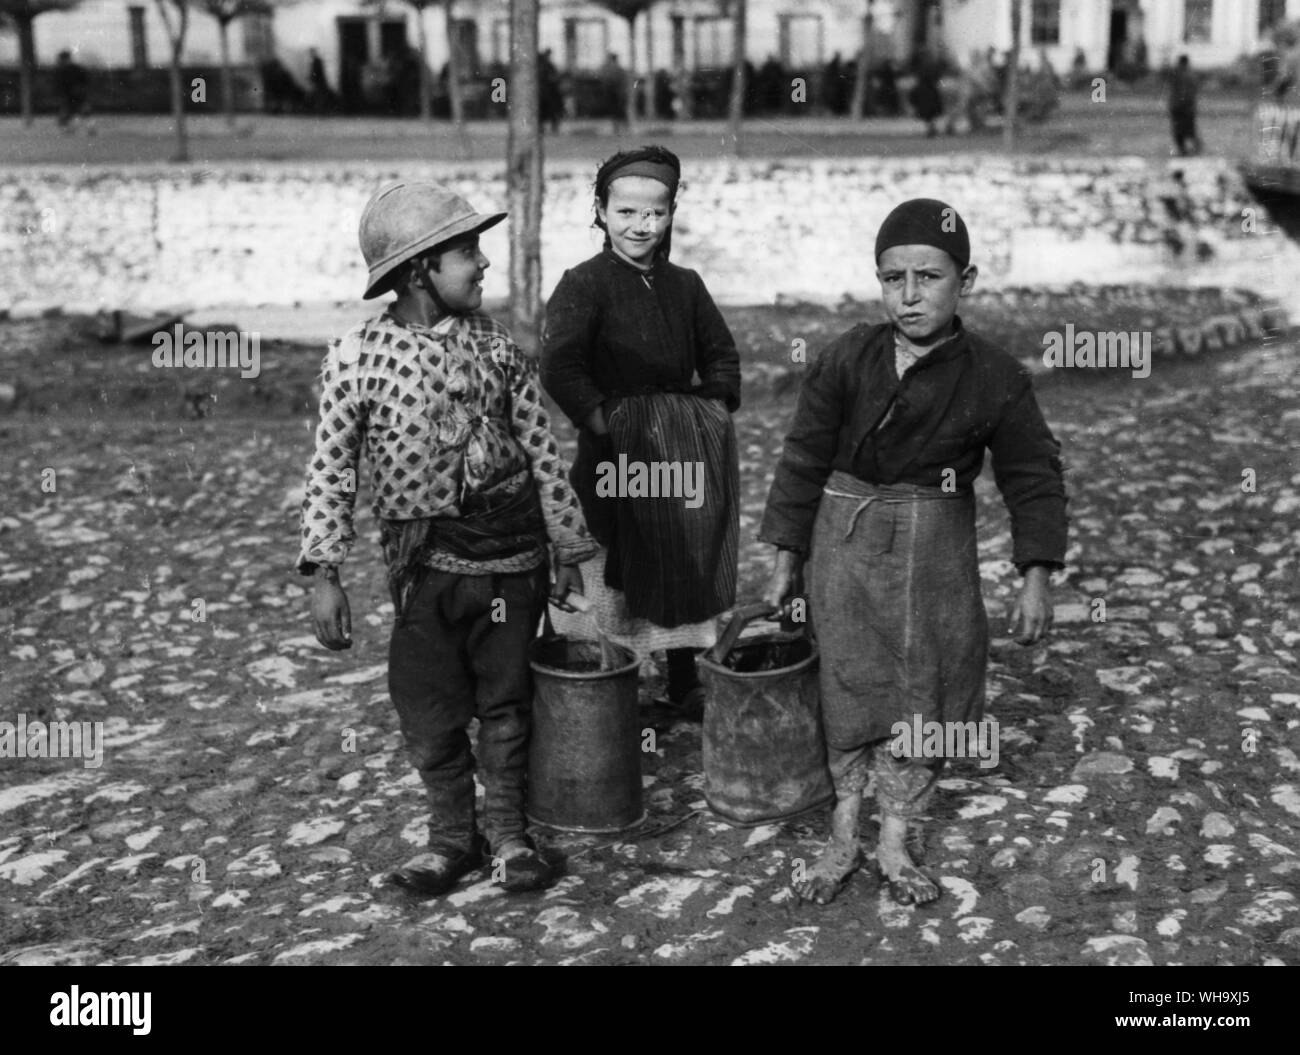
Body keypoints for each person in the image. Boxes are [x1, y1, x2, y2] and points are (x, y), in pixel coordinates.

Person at [760, 199, 1067, 906]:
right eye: (892, 277)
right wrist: (784, 554)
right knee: (843, 681)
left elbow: (1033, 475)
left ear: (968, 280)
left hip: (935, 556)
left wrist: (1036, 575)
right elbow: (802, 455)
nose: (909, 294)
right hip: (844, 543)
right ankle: (842, 831)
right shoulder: (846, 357)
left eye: (928, 276)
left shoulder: (995, 375)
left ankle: (896, 834)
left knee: (925, 684)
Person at [297, 182, 599, 897]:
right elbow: (331, 465)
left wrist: (567, 548)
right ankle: (450, 841)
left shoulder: (496, 347)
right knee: (428, 710)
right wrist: (322, 571)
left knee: (507, 701)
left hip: (512, 566)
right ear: (417, 270)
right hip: (424, 575)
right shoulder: (355, 358)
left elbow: (541, 448)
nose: (483, 263)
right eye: (466, 251)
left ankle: (510, 838)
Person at [541, 147, 741, 717]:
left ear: (671, 214)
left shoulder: (686, 286)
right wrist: (606, 419)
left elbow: (721, 357)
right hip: (615, 456)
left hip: (680, 453)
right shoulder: (584, 284)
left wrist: (711, 411)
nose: (640, 225)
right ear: (601, 212)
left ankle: (684, 675)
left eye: (654, 214)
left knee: (679, 551)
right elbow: (560, 364)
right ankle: (617, 676)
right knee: (618, 561)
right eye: (626, 212)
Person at [1168, 54, 1201, 156]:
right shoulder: (1189, 74)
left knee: (1181, 131)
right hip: (1185, 107)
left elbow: (1183, 92)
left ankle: (1187, 150)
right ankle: (1190, 149)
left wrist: (1177, 104)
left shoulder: (1179, 74)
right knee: (1188, 130)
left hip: (1181, 107)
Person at [53, 50, 92, 133]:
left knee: (68, 112)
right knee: (82, 111)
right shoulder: (78, 69)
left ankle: (69, 128)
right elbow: (86, 80)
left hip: (70, 95)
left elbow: (60, 84)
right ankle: (88, 127)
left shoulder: (62, 70)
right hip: (78, 93)